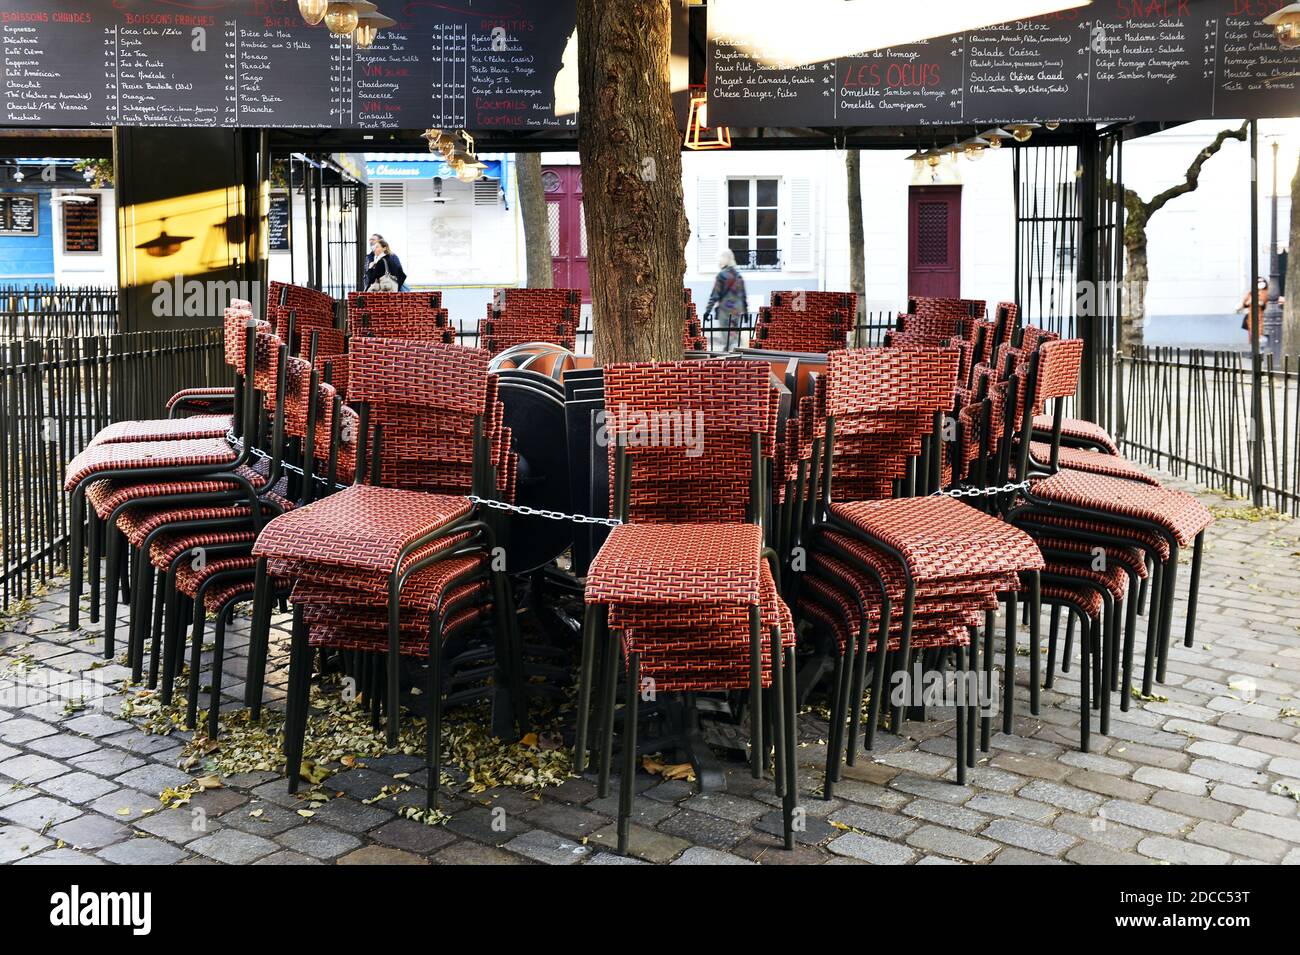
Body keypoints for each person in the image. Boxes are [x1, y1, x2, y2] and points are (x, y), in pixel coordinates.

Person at [704, 248, 748, 351]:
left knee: (726, 333)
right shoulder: (738, 276)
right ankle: (735, 351)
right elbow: (743, 295)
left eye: (720, 258)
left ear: (726, 259)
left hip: (725, 309)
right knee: (734, 332)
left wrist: (707, 311)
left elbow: (714, 295)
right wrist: (745, 312)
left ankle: (729, 352)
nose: (719, 261)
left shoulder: (722, 275)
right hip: (737, 309)